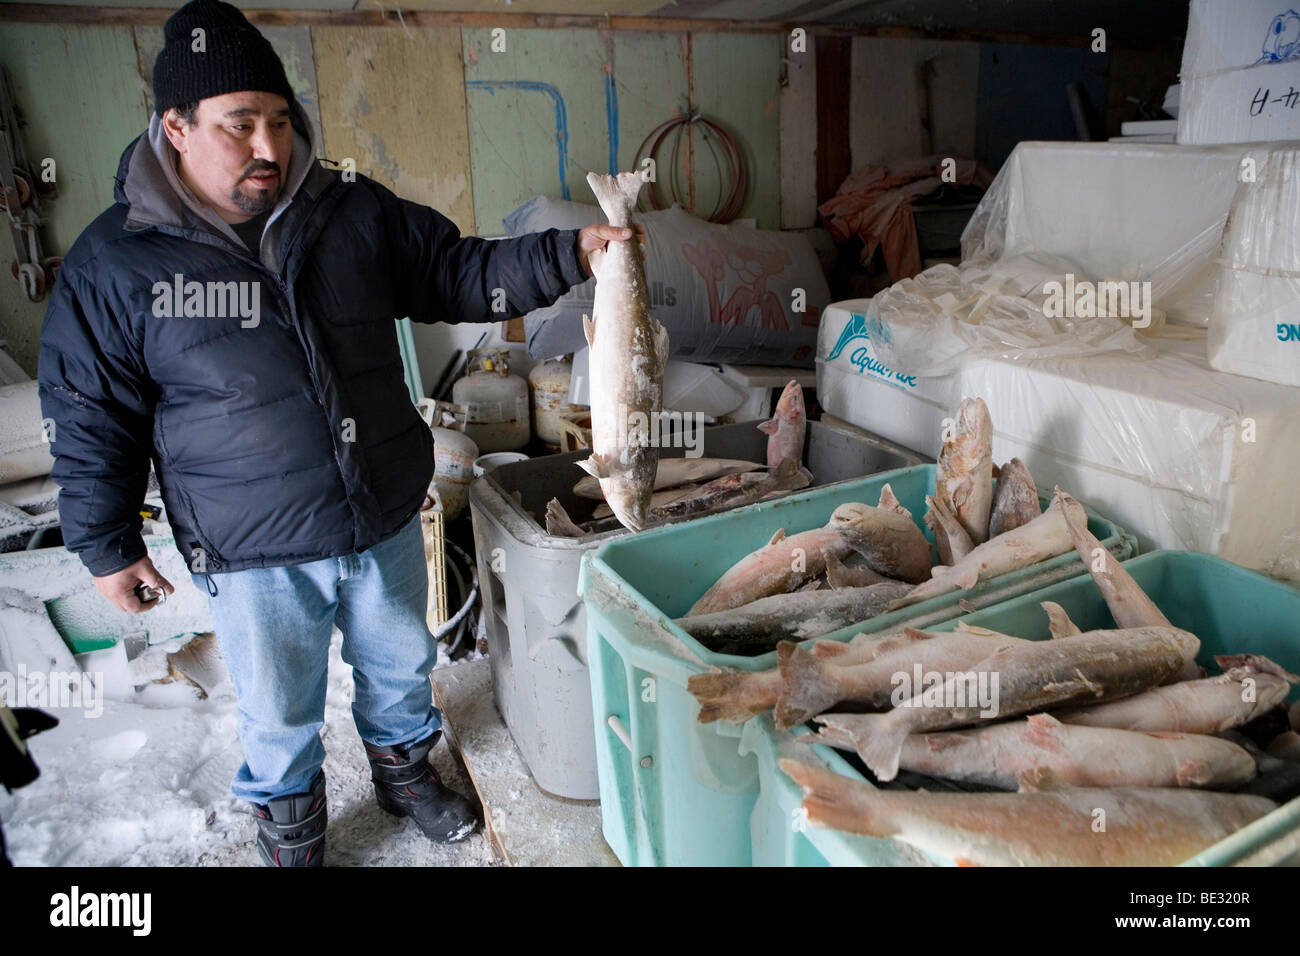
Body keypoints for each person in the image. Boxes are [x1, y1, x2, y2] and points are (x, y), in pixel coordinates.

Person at [36, 0, 633, 867]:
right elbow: (90, 411)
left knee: (401, 661)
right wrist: (104, 543)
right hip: (253, 544)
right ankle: (291, 820)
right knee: (277, 703)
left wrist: (562, 253)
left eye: (280, 121)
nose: (270, 148)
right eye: (240, 126)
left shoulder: (347, 209)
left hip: (380, 506)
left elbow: (452, 270)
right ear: (175, 125)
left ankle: (404, 770)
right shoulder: (117, 261)